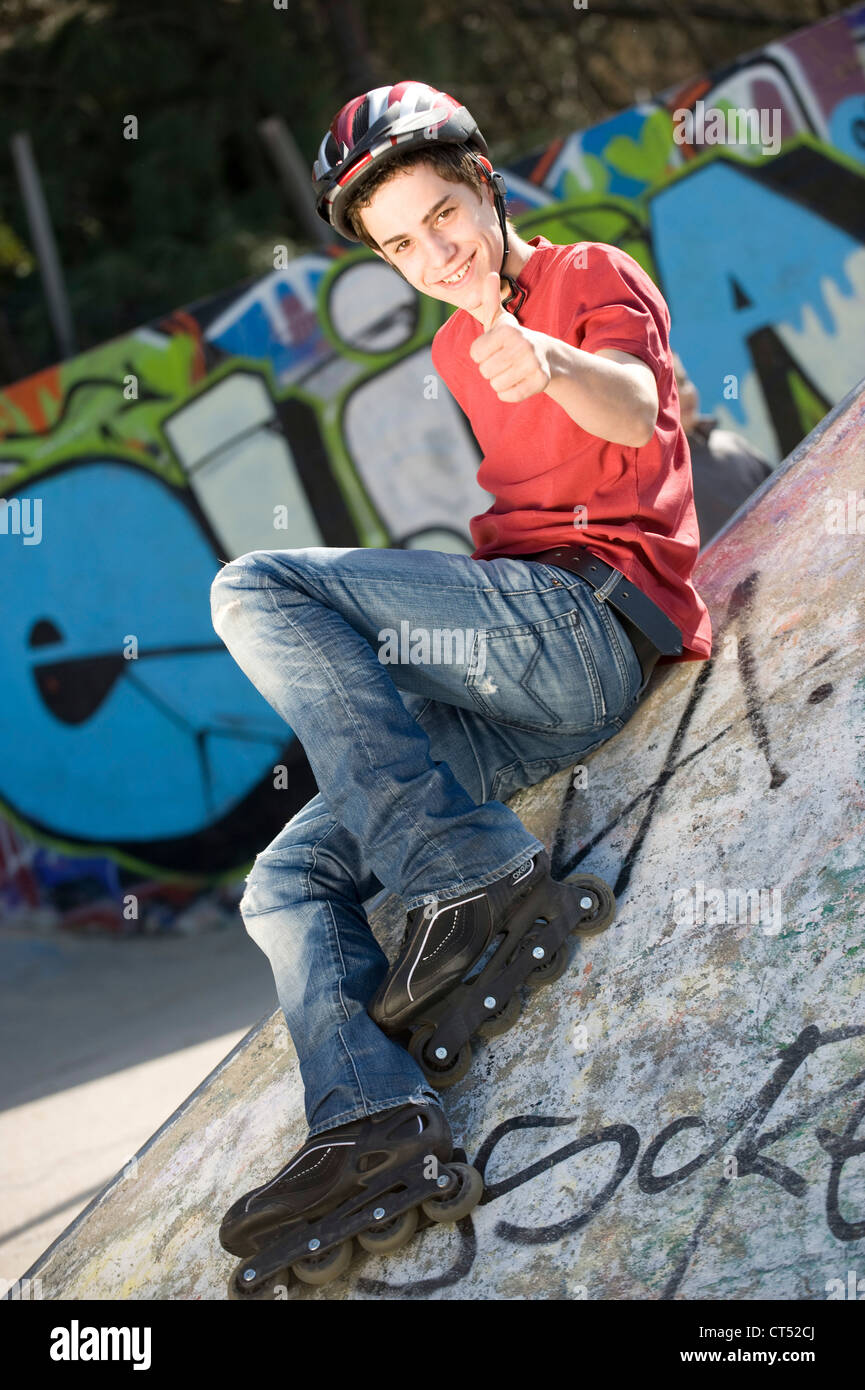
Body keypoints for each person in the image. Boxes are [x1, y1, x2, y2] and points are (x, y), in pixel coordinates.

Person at [211, 80, 712, 1295]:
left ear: (485, 184)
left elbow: (637, 407)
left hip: (592, 619)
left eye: (446, 216)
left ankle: (459, 867)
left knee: (256, 585)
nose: (435, 254)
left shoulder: (586, 273)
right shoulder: (449, 342)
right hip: (524, 672)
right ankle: (365, 1116)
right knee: (283, 880)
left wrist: (544, 359)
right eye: (400, 243)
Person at [672, 352, 773, 546]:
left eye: (683, 381)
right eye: (668, 389)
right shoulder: (660, 481)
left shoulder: (732, 444)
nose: (683, 394)